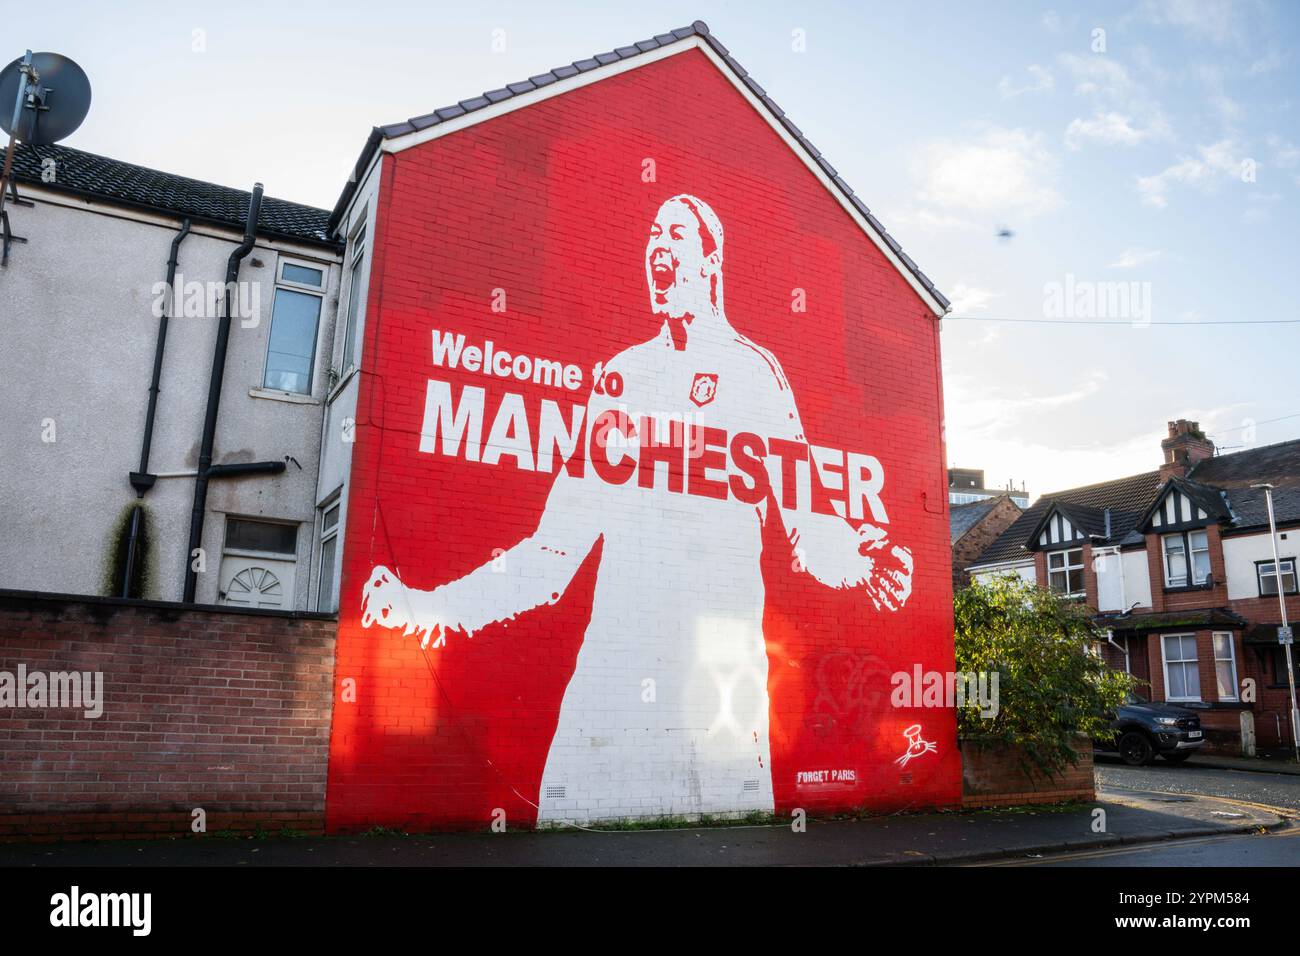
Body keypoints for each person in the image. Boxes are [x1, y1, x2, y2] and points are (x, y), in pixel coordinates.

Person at [361, 195, 913, 822]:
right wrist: (434, 607)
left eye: (675, 235)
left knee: (730, 847)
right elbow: (551, 554)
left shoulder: (757, 376)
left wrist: (865, 559)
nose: (658, 245)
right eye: (653, 234)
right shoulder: (620, 380)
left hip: (721, 699)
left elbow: (810, 529)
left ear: (711, 261)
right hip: (609, 688)